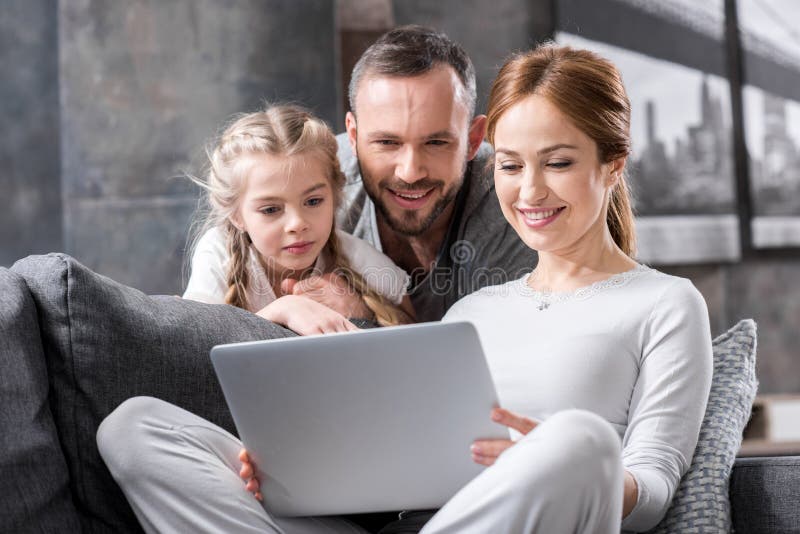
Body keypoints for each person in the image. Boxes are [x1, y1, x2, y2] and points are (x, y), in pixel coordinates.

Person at [97, 43, 713, 533]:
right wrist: (295, 468)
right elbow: (394, 468)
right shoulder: (471, 311)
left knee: (580, 441)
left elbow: (654, 492)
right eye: (511, 165)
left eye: (557, 163)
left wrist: (549, 456)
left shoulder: (664, 304)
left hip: (530, 510)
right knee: (134, 429)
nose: (529, 192)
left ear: (611, 165)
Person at [335, 25, 537, 322]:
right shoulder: (315, 189)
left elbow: (513, 355)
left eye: (436, 142)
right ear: (353, 136)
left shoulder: (517, 203)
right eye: (387, 143)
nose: (410, 172)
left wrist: (365, 317)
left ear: (474, 139)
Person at [181, 104, 413, 334]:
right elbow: (195, 345)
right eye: (271, 209)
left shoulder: (355, 256)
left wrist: (361, 311)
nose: (297, 224)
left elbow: (413, 328)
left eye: (313, 201)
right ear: (236, 215)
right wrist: (281, 310)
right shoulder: (219, 251)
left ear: (335, 195)